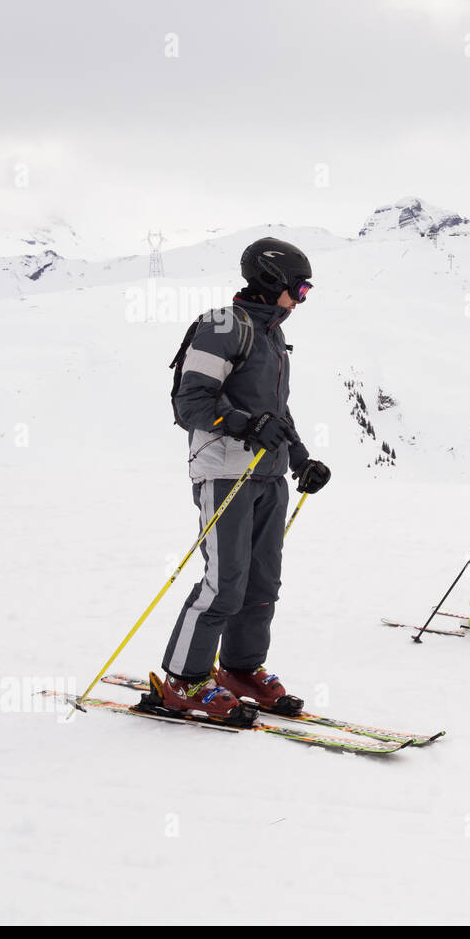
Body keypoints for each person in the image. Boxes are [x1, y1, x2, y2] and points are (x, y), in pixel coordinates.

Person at [160, 237, 331, 720]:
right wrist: (246, 425)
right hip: (224, 471)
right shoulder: (221, 326)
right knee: (224, 584)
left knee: (262, 583)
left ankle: (239, 668)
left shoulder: (272, 333)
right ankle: (185, 679)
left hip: (268, 475)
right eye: (298, 288)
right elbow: (190, 403)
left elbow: (276, 411)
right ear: (269, 280)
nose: (301, 298)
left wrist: (300, 459)